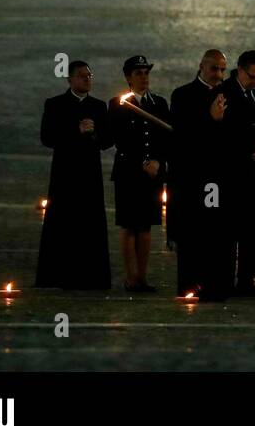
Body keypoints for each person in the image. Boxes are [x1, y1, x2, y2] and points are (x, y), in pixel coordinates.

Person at [36, 60, 113, 289]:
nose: (87, 79)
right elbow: (47, 137)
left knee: (90, 224)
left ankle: (91, 276)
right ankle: (59, 275)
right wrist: (75, 130)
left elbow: (108, 140)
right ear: (69, 79)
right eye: (82, 76)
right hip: (65, 174)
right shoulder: (55, 104)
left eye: (89, 75)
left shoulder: (99, 106)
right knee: (63, 222)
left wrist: (95, 133)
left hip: (90, 174)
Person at [210, 50, 255, 298]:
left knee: (253, 229)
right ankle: (224, 280)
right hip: (232, 173)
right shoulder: (223, 93)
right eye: (253, 76)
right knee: (228, 230)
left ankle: (246, 279)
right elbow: (217, 136)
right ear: (241, 70)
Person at [168, 49, 229, 296]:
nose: (219, 74)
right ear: (201, 67)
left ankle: (215, 283)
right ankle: (189, 283)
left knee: (215, 231)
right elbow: (182, 134)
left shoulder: (228, 94)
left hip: (218, 175)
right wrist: (210, 119)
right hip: (191, 174)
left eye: (223, 69)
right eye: (214, 69)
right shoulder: (182, 95)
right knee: (191, 230)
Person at [108, 55, 170, 292]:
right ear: (128, 77)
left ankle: (142, 276)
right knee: (128, 225)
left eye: (146, 73)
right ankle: (130, 276)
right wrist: (143, 160)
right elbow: (120, 139)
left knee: (146, 227)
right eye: (138, 73)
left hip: (151, 175)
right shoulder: (118, 104)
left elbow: (165, 139)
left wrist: (158, 161)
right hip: (128, 174)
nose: (143, 77)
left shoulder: (159, 104)